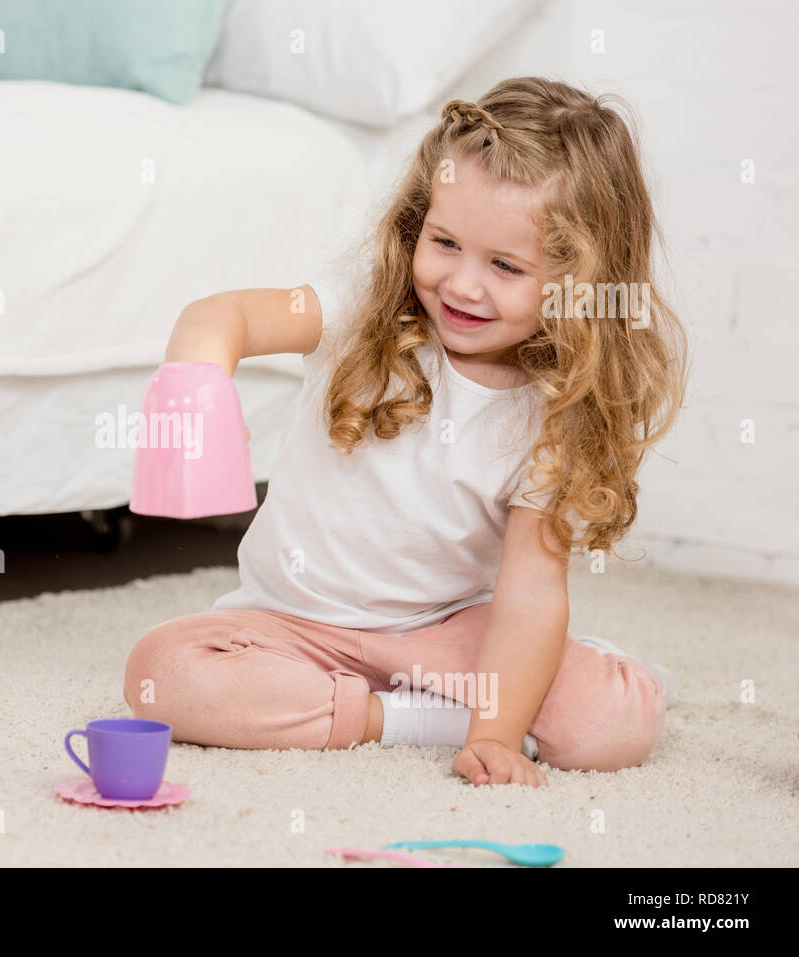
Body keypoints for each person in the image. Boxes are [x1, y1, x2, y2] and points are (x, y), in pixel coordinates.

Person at [123, 77, 689, 788]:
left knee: (614, 722)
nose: (462, 285)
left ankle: (488, 693)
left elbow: (530, 593)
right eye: (445, 242)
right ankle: (405, 720)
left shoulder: (554, 415)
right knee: (161, 674)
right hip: (289, 627)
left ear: (580, 281)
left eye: (506, 266)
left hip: (445, 635)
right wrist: (199, 378)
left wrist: (495, 735)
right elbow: (221, 315)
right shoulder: (360, 311)